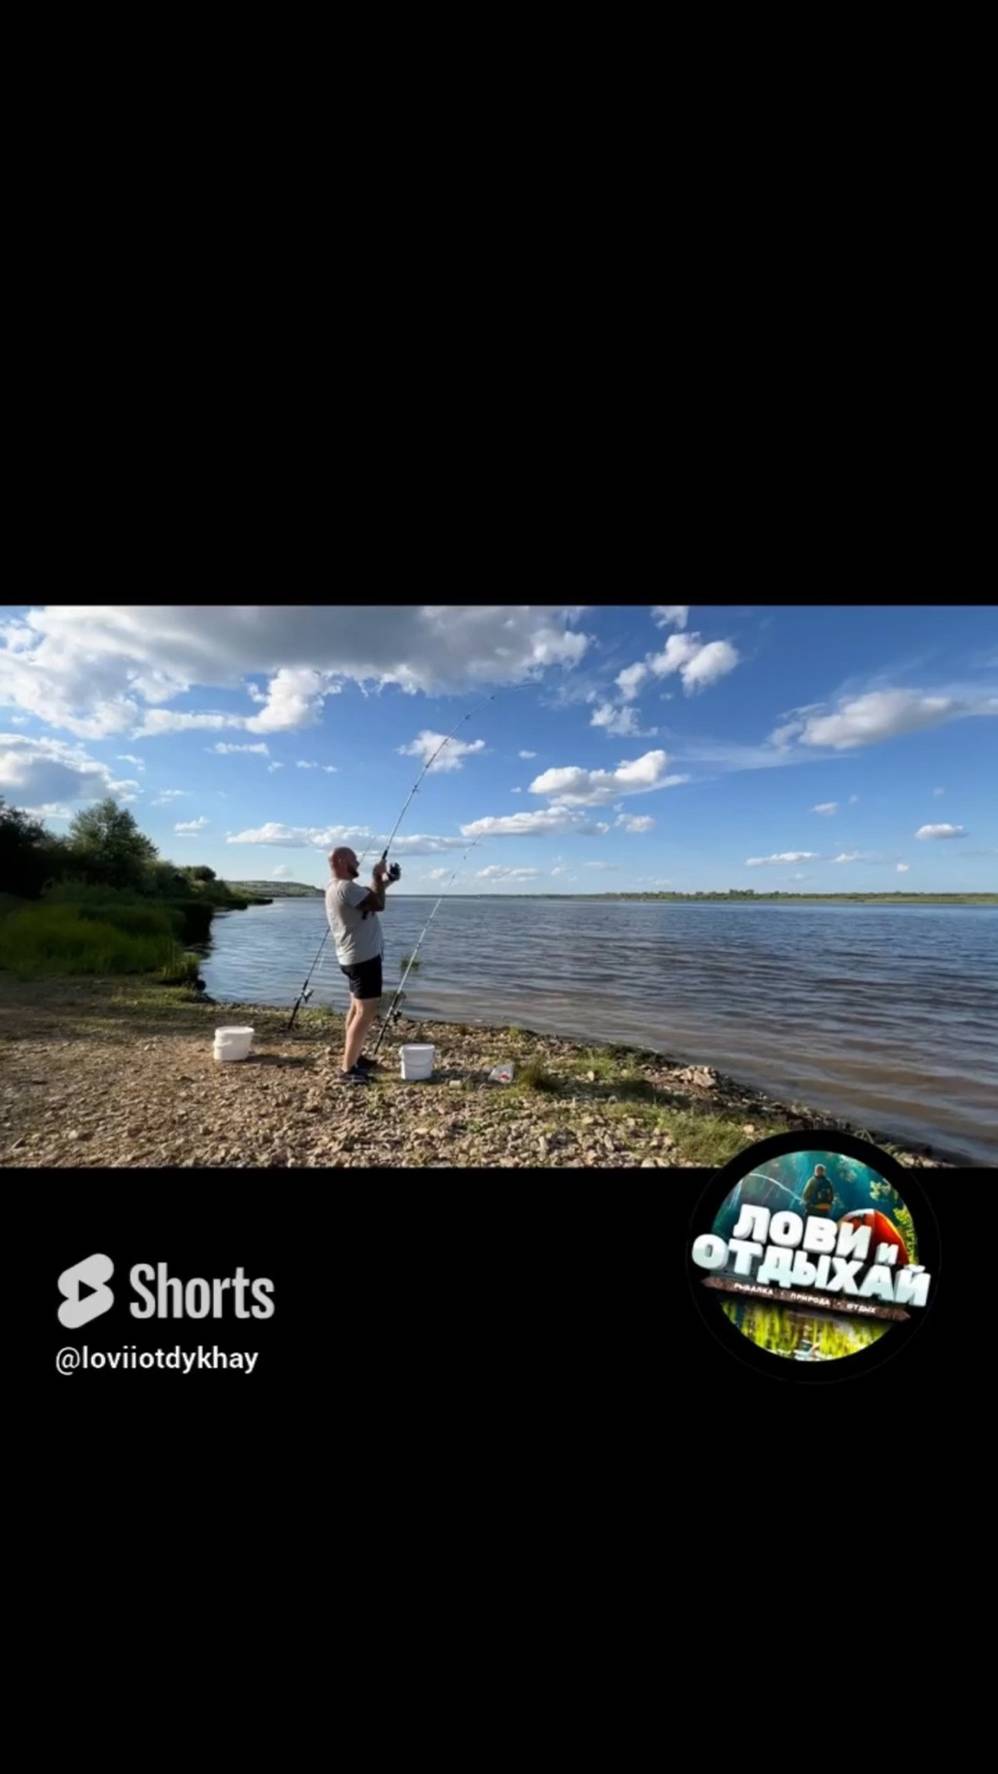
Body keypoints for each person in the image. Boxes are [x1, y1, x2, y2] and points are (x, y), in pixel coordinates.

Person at [325, 846, 399, 1084]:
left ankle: (353, 1058)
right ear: (341, 860)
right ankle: (347, 1070)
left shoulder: (336, 887)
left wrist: (387, 880)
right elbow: (377, 904)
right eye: (354, 859)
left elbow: (370, 895)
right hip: (363, 959)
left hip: (351, 958)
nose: (358, 862)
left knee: (356, 1009)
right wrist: (377, 875)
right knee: (365, 1012)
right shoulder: (346, 887)